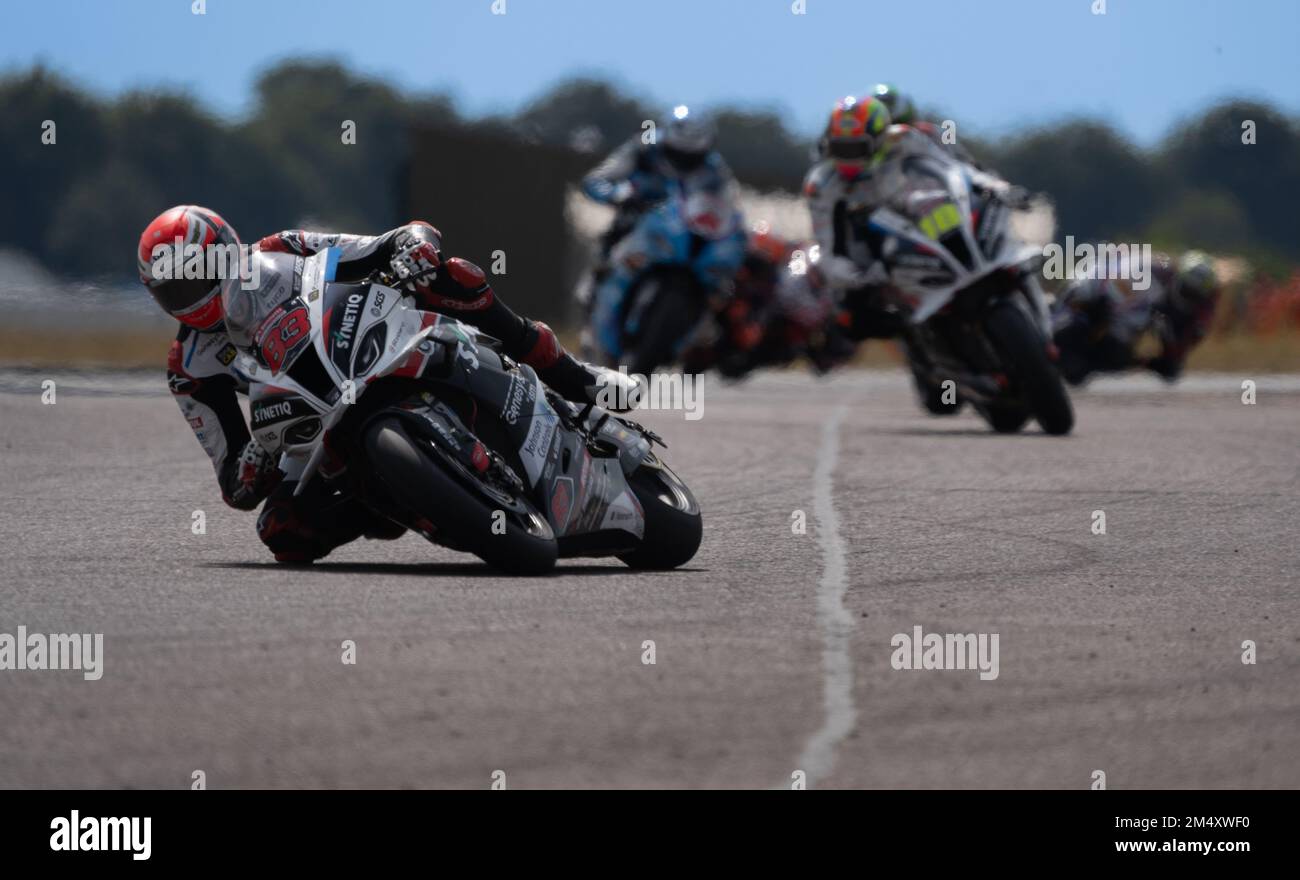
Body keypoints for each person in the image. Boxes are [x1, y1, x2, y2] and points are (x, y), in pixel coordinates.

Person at [138, 205, 630, 562]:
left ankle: (576, 377)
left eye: (197, 273)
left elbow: (377, 245)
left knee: (452, 276)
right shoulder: (189, 368)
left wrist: (412, 244)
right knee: (283, 531)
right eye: (175, 289)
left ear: (225, 249)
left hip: (368, 338)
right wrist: (261, 450)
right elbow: (234, 485)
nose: (191, 293)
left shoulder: (282, 250)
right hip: (307, 416)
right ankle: (409, 497)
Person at [803, 94, 1023, 341]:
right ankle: (920, 339)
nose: (848, 158)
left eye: (856, 148)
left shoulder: (907, 139)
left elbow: (952, 170)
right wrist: (860, 278)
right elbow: (827, 247)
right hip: (871, 251)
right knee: (853, 317)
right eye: (840, 148)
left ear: (879, 139)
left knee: (940, 208)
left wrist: (994, 186)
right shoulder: (821, 184)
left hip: (914, 216)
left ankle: (978, 267)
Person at [580, 105, 736, 282]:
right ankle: (601, 275)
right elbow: (596, 180)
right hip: (637, 221)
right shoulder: (643, 149)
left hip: (687, 234)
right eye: (676, 154)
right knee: (614, 236)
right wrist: (617, 195)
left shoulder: (714, 169)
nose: (682, 162)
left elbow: (728, 207)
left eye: (691, 157)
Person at [1053, 250, 1220, 384]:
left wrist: (1157, 363)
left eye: (1195, 295)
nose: (1189, 297)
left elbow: (1174, 358)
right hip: (1091, 288)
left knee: (1117, 356)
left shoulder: (1192, 312)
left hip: (1117, 322)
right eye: (1187, 290)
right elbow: (1116, 278)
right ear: (1178, 278)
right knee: (1090, 311)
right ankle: (1057, 327)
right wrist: (1104, 306)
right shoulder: (1153, 270)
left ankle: (1080, 360)